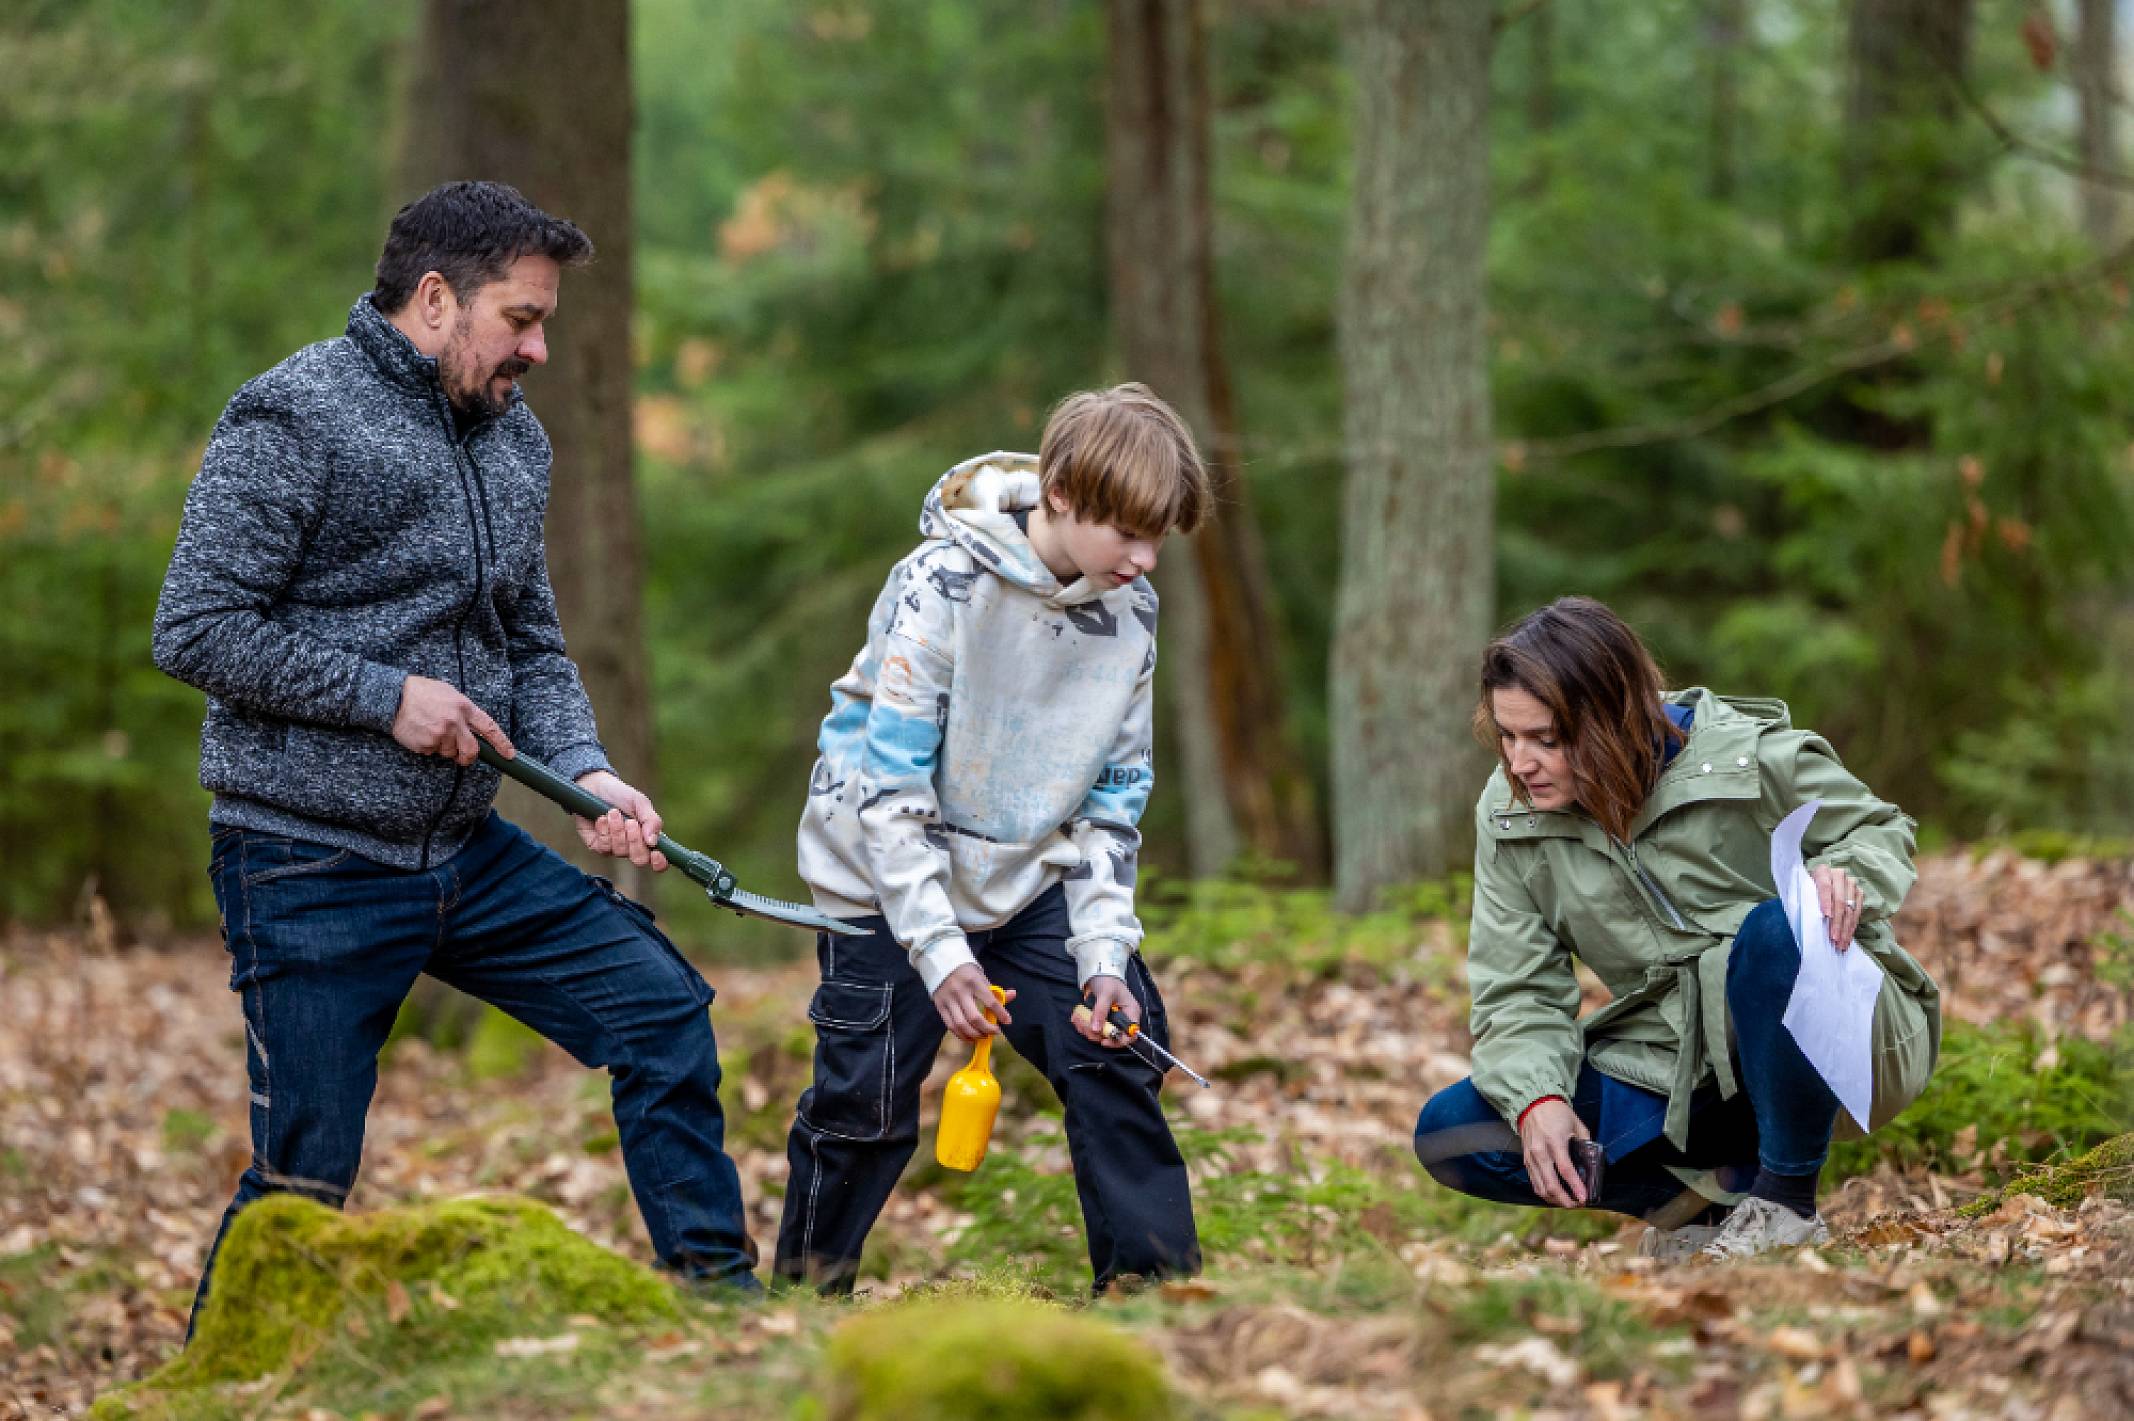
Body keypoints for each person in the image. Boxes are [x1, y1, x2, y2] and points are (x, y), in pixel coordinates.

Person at [152, 181, 759, 1327]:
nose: (537, 347)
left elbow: (527, 636)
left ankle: (728, 1318)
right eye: (520, 318)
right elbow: (195, 627)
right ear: (435, 298)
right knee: (303, 1185)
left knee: (661, 1009)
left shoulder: (511, 435)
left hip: (464, 852)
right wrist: (385, 698)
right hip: (304, 859)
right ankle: (212, 1391)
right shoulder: (291, 417)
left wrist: (583, 768)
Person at [775, 385, 1208, 1293]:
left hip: (1027, 877)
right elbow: (885, 788)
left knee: (1119, 1043)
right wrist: (938, 950)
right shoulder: (941, 584)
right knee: (866, 1103)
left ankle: (1156, 1296)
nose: (1144, 558)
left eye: (1159, 535)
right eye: (1128, 531)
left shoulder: (1133, 612)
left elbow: (1112, 801)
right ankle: (802, 1304)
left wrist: (1100, 956)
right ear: (1059, 494)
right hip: (887, 879)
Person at [1412, 597, 1942, 1260]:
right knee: (1454, 1131)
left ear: (1615, 714)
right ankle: (1715, 1216)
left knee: (1775, 930)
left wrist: (1844, 872)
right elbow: (1517, 990)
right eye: (1507, 735)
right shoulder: (1509, 812)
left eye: (1545, 738)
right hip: (1680, 1062)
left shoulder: (1751, 755)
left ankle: (1785, 1204)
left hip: (1843, 1033)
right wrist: (1535, 1098)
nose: (1520, 763)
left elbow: (1878, 826)